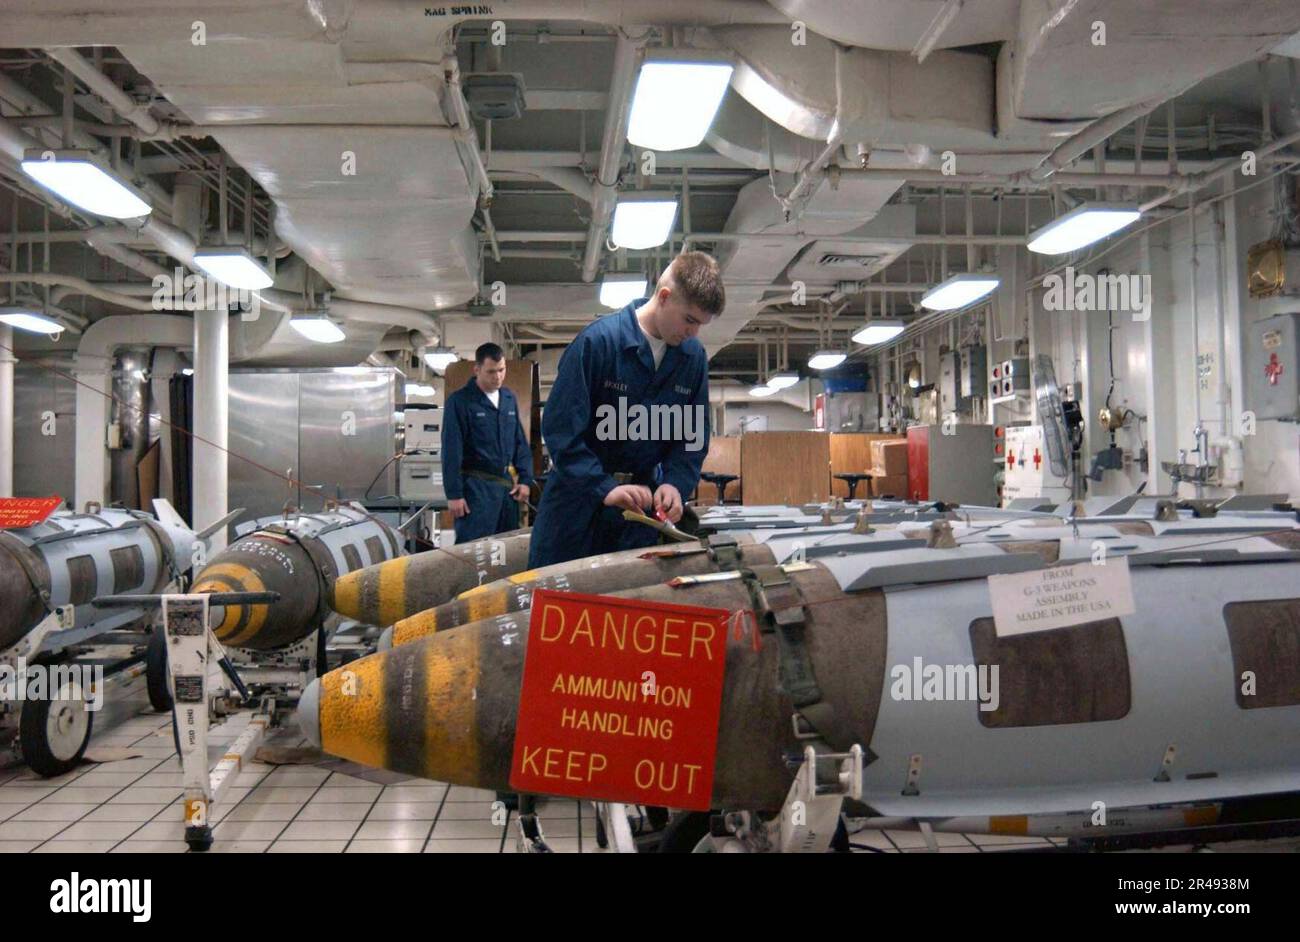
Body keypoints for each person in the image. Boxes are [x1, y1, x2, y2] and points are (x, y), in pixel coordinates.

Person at [528, 251, 724, 569]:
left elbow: (692, 437)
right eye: (689, 320)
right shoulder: (598, 344)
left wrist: (675, 483)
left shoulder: (692, 359)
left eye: (701, 324)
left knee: (628, 609)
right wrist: (603, 487)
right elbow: (562, 431)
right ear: (664, 297)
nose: (694, 333)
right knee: (561, 608)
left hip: (639, 515)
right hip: (577, 507)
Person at [441, 342, 534, 543]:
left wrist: (526, 480)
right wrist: (454, 494)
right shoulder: (460, 402)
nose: (498, 377)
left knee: (506, 550)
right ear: (477, 369)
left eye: (501, 370)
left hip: (506, 490)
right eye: (491, 371)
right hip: (476, 490)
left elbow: (519, 442)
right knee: (475, 552)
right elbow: (451, 450)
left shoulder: (508, 398)